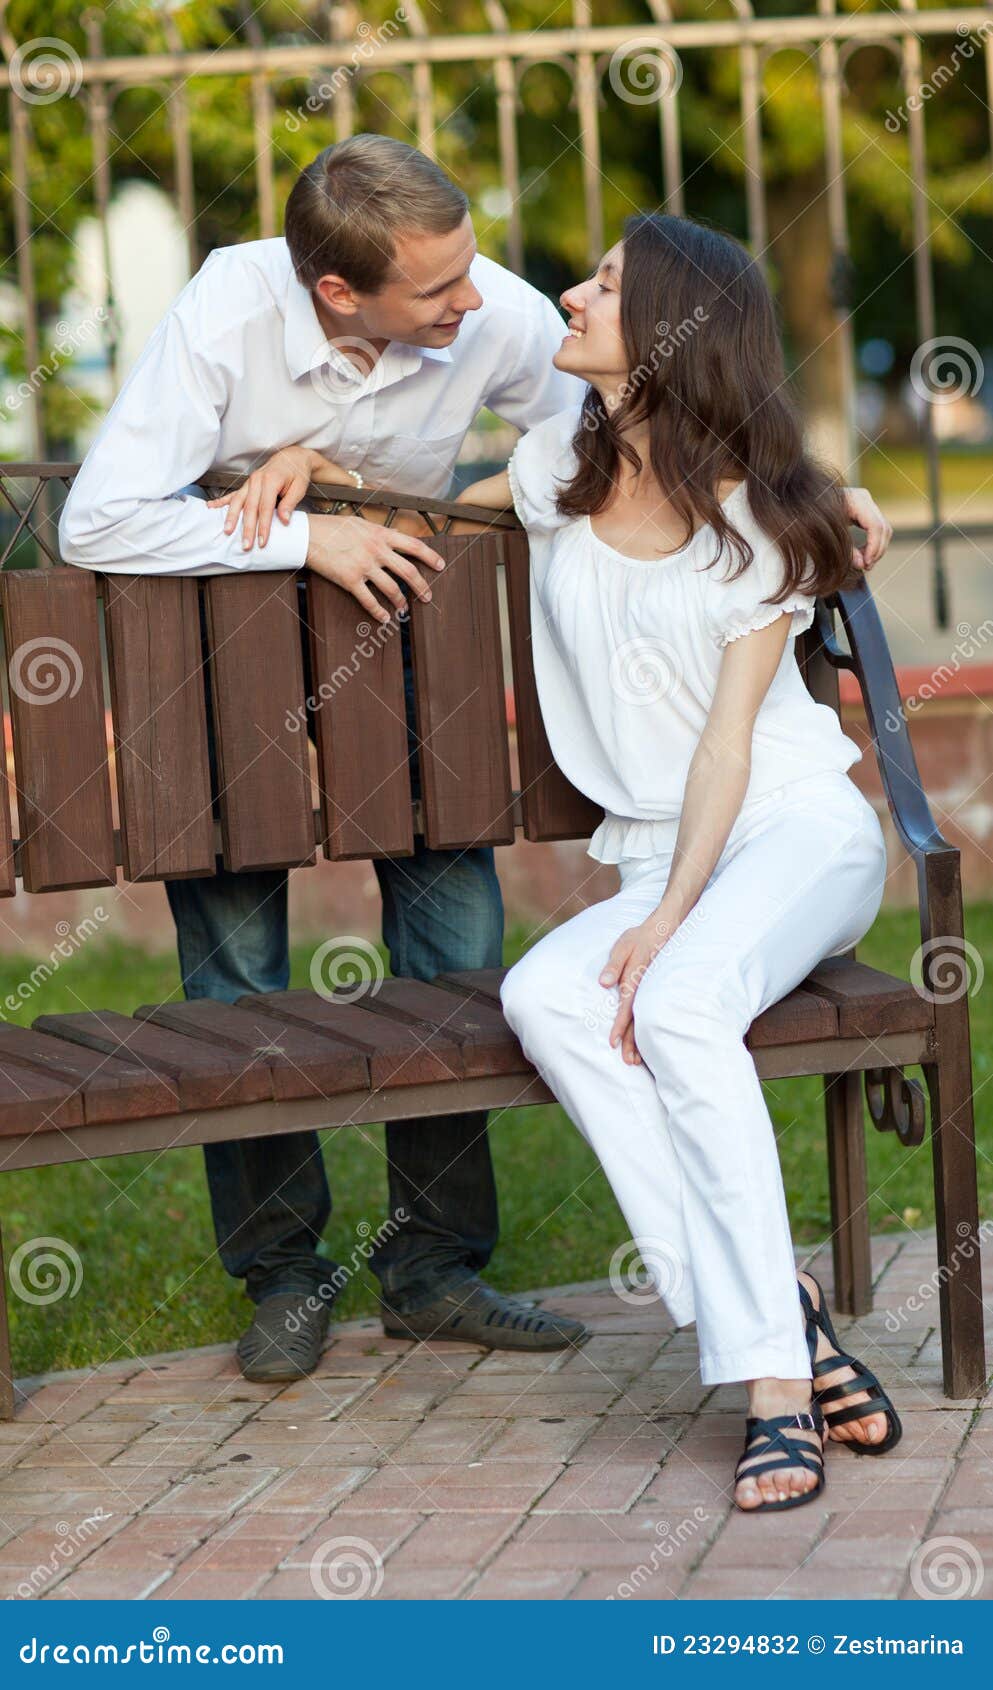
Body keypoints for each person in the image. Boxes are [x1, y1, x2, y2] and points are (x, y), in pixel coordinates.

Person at [58, 133, 597, 1379]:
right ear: (338, 293)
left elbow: (592, 444)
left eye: (469, 270)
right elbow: (100, 516)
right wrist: (305, 539)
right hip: (226, 663)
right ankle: (283, 1277)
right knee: (237, 968)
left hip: (414, 650)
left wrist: (347, 479)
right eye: (440, 288)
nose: (479, 300)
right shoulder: (227, 308)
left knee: (455, 940)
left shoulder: (489, 307)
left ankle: (433, 1268)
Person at [452, 212, 902, 1513]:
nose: (569, 294)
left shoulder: (753, 521)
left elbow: (724, 755)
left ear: (669, 333)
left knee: (680, 997)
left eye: (601, 283)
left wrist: (669, 918)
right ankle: (788, 1316)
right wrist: (309, 469)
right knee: (546, 996)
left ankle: (770, 1389)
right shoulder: (555, 469)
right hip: (671, 861)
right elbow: (428, 498)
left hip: (793, 833)